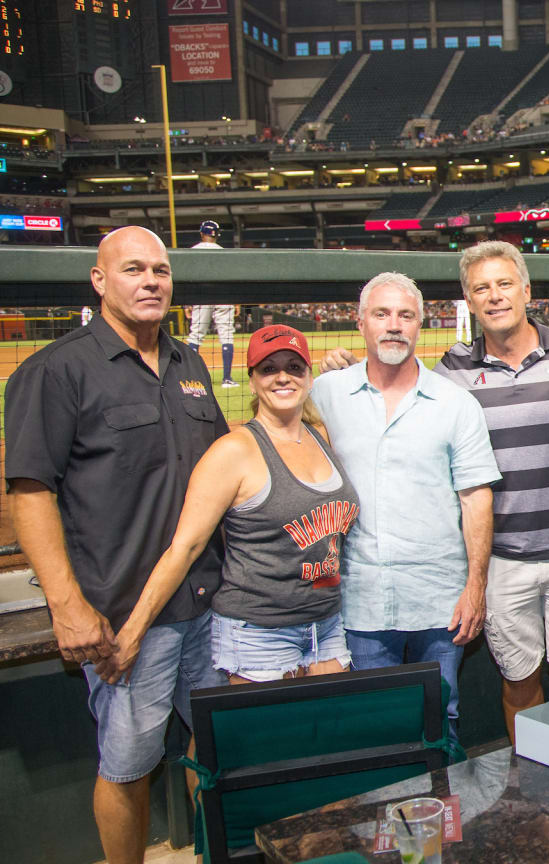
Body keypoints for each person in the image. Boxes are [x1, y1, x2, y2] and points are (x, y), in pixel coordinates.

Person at [5, 226, 227, 864]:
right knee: (129, 766)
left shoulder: (188, 362)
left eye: (160, 270)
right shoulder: (57, 369)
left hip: (207, 603)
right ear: (100, 281)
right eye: (134, 269)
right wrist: (66, 605)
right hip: (125, 614)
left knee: (210, 751)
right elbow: (30, 493)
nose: (151, 281)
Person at [311, 272, 501, 743]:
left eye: (405, 315)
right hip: (360, 600)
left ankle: (444, 816)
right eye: (381, 314)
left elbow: (476, 497)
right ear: (360, 323)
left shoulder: (456, 403)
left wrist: (475, 586)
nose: (393, 325)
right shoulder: (326, 394)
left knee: (443, 720)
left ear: (420, 324)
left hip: (440, 600)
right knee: (374, 730)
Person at [111, 326, 357, 687]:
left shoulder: (320, 435)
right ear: (253, 381)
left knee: (323, 736)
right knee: (252, 741)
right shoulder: (233, 452)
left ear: (308, 377)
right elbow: (186, 547)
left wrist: (348, 369)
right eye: (269, 369)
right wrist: (134, 630)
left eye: (294, 366)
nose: (283, 377)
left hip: (327, 625)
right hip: (258, 631)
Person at [435, 242, 549, 743]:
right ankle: (533, 786)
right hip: (503, 558)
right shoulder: (450, 370)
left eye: (504, 284)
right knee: (518, 682)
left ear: (526, 289)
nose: (494, 297)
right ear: (468, 300)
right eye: (482, 288)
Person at [185, 220, 237, 388]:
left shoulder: (193, 252)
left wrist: (187, 303)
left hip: (201, 295)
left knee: (196, 334)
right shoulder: (223, 252)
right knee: (226, 334)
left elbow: (188, 278)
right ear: (217, 235)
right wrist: (234, 301)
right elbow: (231, 279)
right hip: (223, 295)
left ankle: (192, 378)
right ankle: (227, 379)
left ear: (202, 233)